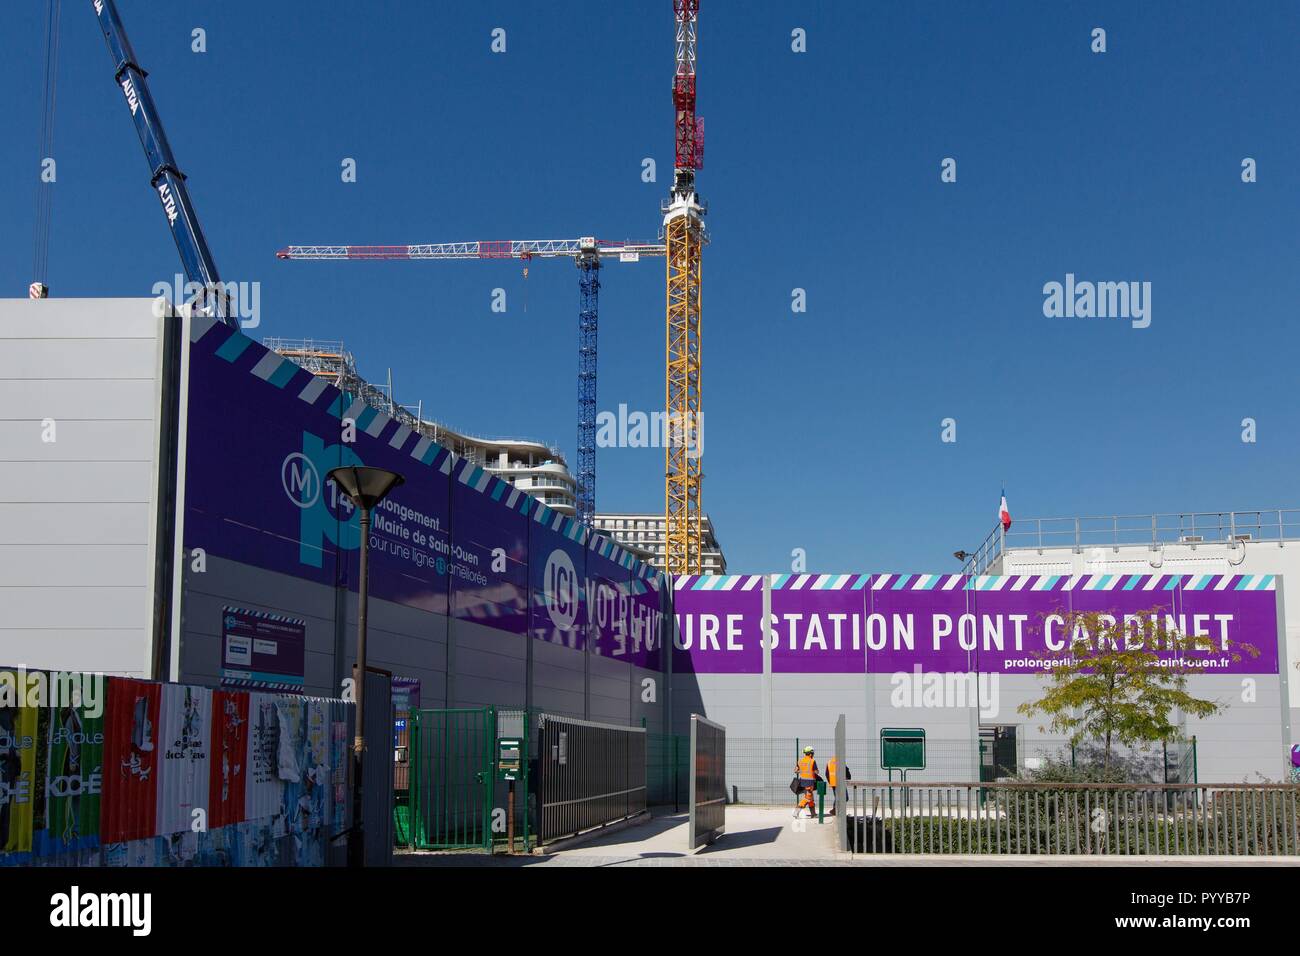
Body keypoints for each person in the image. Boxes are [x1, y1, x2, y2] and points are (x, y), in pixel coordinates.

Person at [793, 746, 820, 818]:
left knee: (810, 798)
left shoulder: (800, 761)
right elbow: (816, 772)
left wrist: (802, 771)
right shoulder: (812, 761)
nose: (813, 754)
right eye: (813, 753)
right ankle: (796, 811)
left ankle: (813, 814)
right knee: (808, 798)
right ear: (810, 754)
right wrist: (815, 771)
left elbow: (795, 771)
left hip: (802, 782)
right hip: (810, 782)